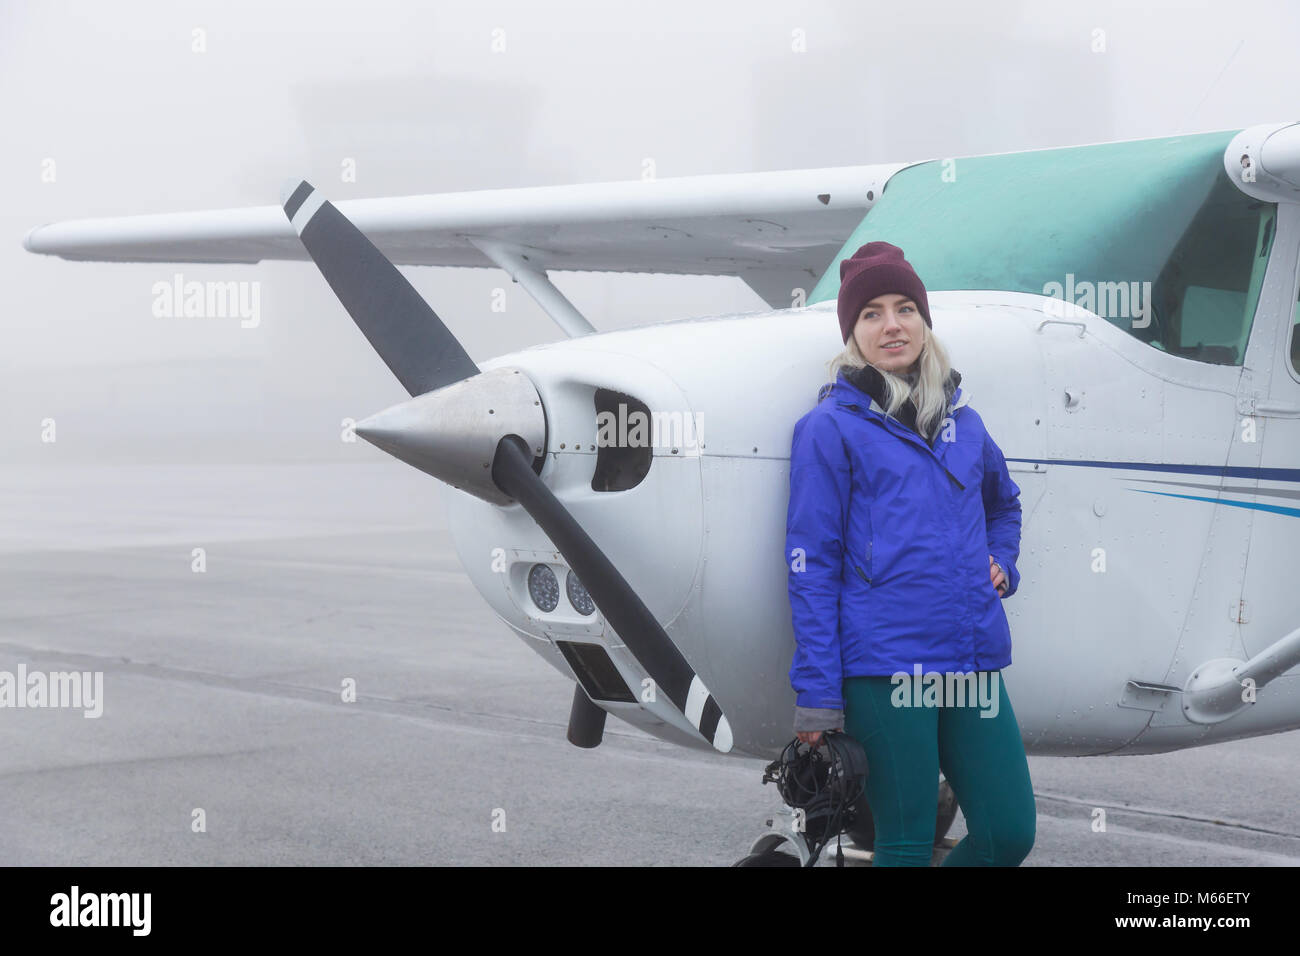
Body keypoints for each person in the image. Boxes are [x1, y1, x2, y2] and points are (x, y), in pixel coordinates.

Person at [784, 241, 1036, 867]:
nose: (891, 324)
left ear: (924, 322)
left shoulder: (965, 423)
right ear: (852, 334)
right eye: (871, 313)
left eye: (904, 308)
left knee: (1008, 833)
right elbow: (810, 561)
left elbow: (1004, 504)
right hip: (885, 667)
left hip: (971, 655)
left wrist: (1002, 563)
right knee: (902, 841)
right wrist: (817, 693)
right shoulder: (829, 429)